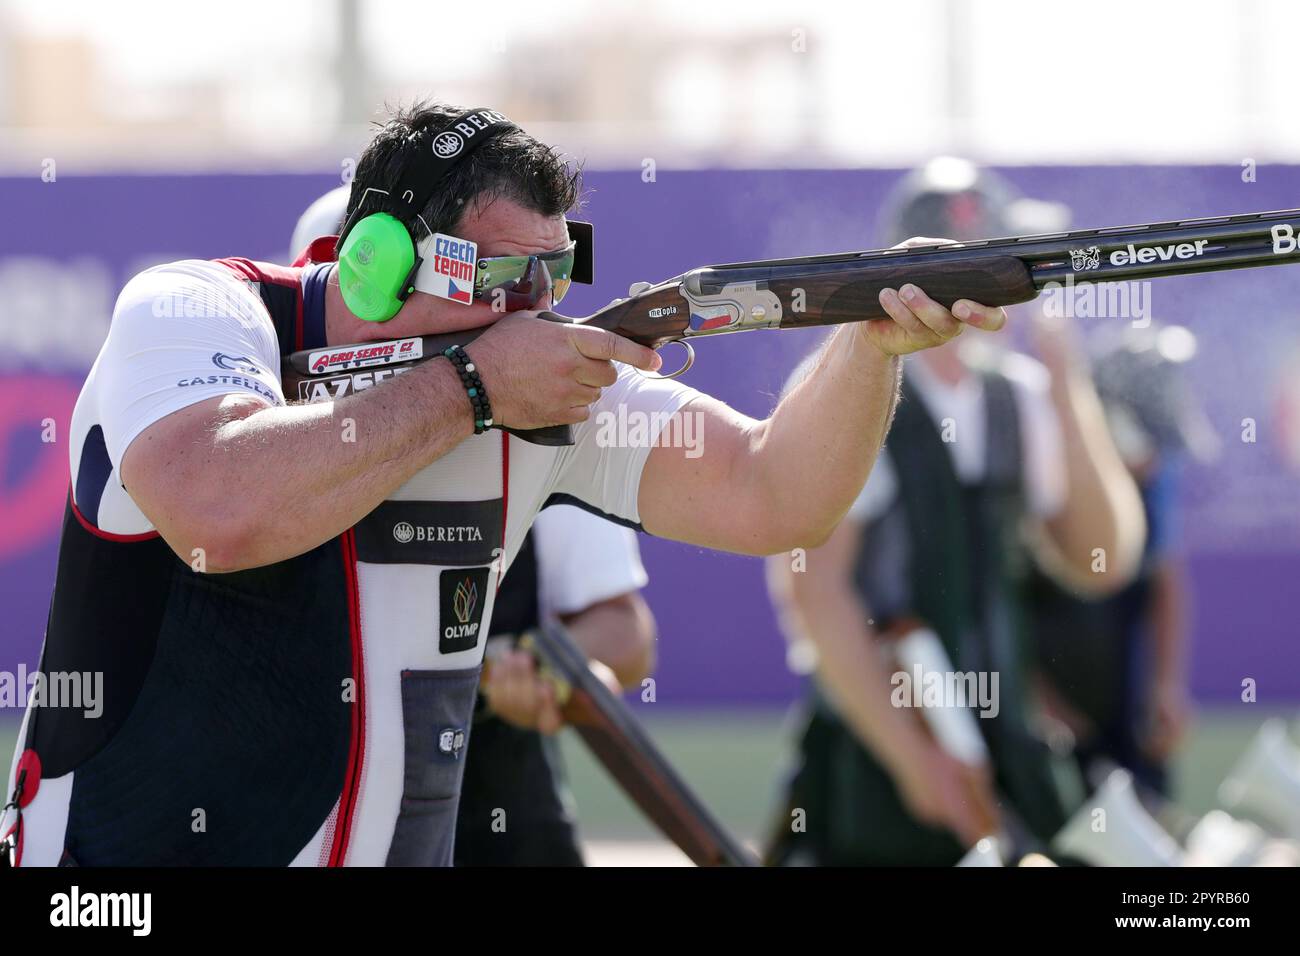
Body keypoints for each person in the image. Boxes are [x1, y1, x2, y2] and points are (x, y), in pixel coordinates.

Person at [2, 104, 1006, 867]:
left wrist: (873, 347)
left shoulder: (527, 388)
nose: (529, 313)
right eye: (495, 282)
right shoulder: (196, 310)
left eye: (551, 279)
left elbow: (775, 493)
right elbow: (219, 509)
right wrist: (469, 386)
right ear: (375, 263)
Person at [765, 158, 1147, 866]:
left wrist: (1065, 372)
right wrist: (915, 759)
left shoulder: (1022, 397)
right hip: (875, 759)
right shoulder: (846, 387)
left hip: (1006, 750)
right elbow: (816, 595)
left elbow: (1103, 557)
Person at [290, 188, 658, 866]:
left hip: (499, 818)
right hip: (304, 816)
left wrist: (547, 670)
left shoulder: (544, 418)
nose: (372, 323)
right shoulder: (260, 442)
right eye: (350, 299)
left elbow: (623, 634)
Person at [1028, 323, 1216, 797]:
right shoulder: (1043, 468)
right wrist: (1034, 701)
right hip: (1047, 729)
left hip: (1124, 706)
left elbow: (1165, 576)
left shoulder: (1154, 476)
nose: (1151, 464)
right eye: (1142, 442)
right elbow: (994, 603)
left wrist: (1166, 685)